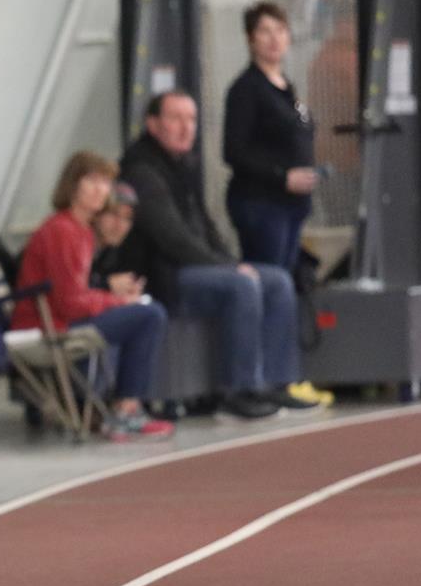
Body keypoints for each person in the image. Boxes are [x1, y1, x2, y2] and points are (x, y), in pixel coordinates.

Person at [119, 90, 322, 419]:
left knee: (278, 281)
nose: (186, 128)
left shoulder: (181, 166)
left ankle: (277, 383)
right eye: (175, 119)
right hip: (164, 275)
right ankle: (238, 390)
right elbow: (173, 239)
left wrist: (232, 262)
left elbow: (207, 228)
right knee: (241, 285)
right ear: (153, 125)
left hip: (195, 268)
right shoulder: (143, 170)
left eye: (191, 119)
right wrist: (228, 269)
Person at [12, 152, 174, 440]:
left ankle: (120, 407)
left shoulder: (80, 231)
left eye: (106, 182)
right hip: (48, 328)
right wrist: (117, 302)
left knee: (142, 313)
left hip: (59, 321)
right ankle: (126, 410)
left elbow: (76, 296)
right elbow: (70, 303)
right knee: (149, 315)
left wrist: (112, 299)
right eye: (93, 181)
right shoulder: (62, 230)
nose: (102, 190)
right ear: (73, 185)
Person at [223, 1, 319, 273]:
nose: (274, 38)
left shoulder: (287, 87)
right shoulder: (246, 89)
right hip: (262, 204)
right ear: (251, 39)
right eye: (265, 31)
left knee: (286, 278)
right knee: (270, 277)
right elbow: (234, 151)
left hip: (293, 205)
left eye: (280, 29)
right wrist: (282, 177)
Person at [91, 180, 139, 289]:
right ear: (97, 213)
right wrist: (107, 285)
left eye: (128, 218)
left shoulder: (113, 252)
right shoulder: (78, 243)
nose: (120, 225)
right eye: (114, 213)